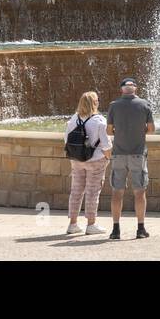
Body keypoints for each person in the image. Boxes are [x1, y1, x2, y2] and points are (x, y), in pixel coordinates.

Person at [106, 77, 154, 240]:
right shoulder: (144, 104)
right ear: (135, 89)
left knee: (117, 192)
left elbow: (109, 131)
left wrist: (120, 133)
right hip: (138, 153)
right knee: (139, 192)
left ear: (121, 90)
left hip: (118, 153)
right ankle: (140, 229)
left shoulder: (113, 106)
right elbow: (151, 129)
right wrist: (139, 133)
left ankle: (115, 230)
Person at [64, 90, 112, 236]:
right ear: (94, 103)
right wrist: (108, 159)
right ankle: (91, 224)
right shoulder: (99, 121)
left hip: (76, 160)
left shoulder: (73, 119)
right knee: (92, 191)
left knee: (76, 191)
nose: (98, 102)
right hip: (95, 161)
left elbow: (66, 140)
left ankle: (72, 224)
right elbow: (106, 145)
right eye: (97, 100)